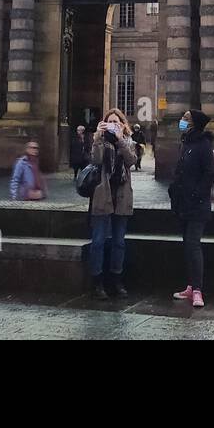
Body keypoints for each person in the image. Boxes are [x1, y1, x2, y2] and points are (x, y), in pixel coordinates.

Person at [167, 109, 214, 308]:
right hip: (183, 204)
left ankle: (198, 290)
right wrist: (174, 190)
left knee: (193, 245)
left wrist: (197, 194)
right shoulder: (186, 142)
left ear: (195, 123)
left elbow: (210, 173)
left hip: (197, 206)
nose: (182, 120)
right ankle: (191, 286)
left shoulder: (203, 144)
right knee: (188, 246)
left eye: (186, 118)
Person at [87, 108, 137, 299]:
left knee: (119, 242)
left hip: (122, 197)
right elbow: (96, 159)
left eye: (117, 122)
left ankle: (117, 279)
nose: (113, 124)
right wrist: (98, 138)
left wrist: (120, 139)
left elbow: (132, 160)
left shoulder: (128, 142)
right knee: (98, 241)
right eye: (110, 122)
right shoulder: (100, 141)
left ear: (123, 125)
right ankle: (97, 282)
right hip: (103, 195)